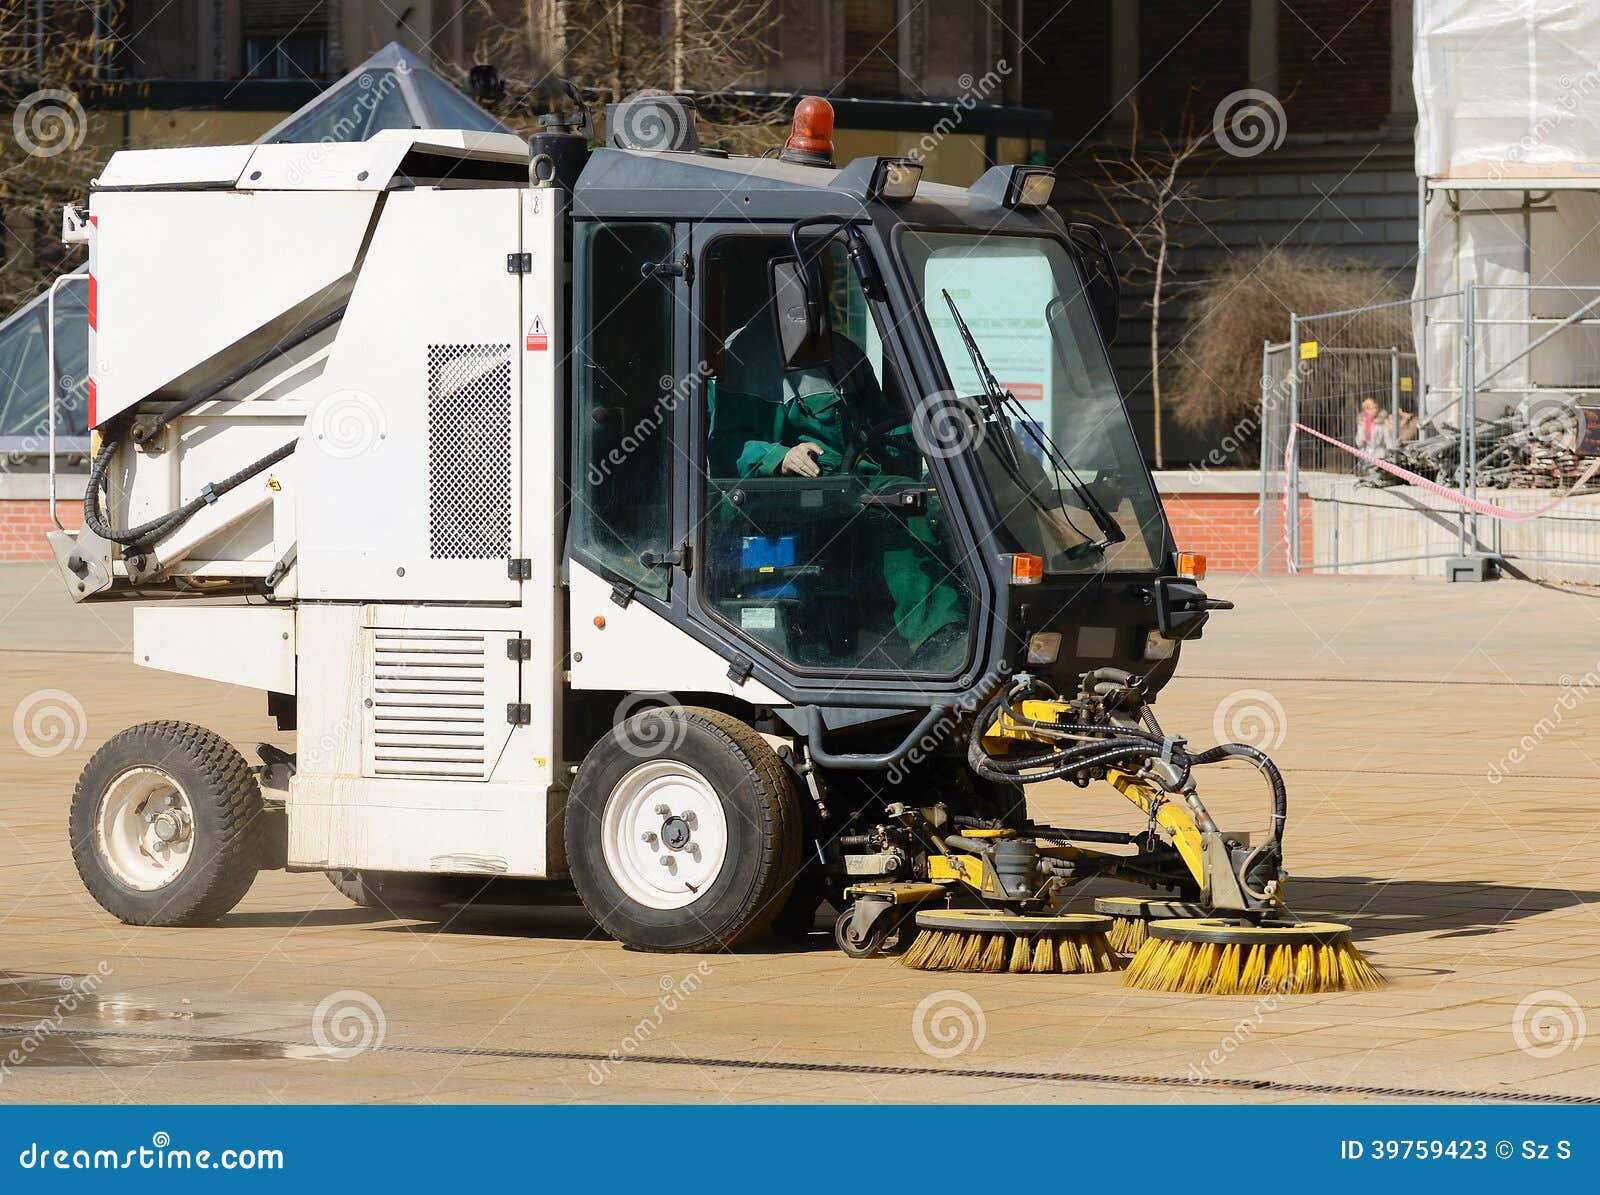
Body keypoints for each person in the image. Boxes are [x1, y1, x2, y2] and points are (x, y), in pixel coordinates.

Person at [708, 270, 967, 670]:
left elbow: (884, 425)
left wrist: (938, 445)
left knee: (942, 502)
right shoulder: (744, 354)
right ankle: (940, 638)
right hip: (777, 499)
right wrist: (779, 456)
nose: (825, 295)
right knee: (899, 507)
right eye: (814, 285)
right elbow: (725, 446)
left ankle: (968, 628)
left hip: (845, 487)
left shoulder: (842, 353)